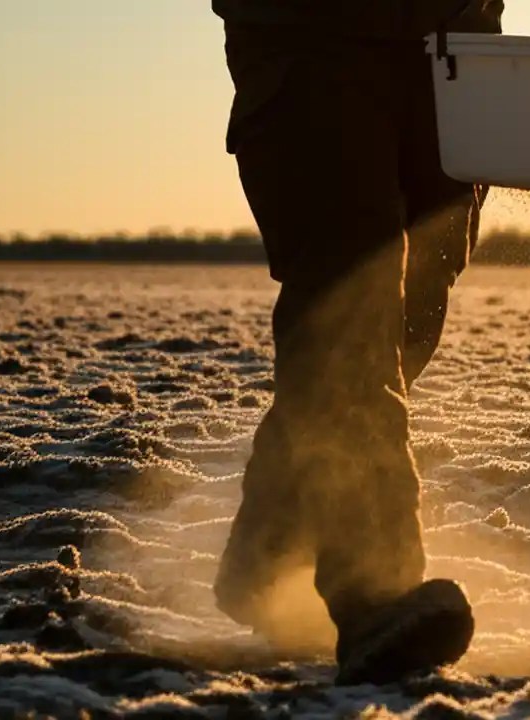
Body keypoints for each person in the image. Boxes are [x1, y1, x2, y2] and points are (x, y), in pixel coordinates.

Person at [209, 0, 504, 685]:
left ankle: (273, 531)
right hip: (312, 43)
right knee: (350, 307)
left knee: (413, 314)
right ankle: (374, 593)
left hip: (452, 45)